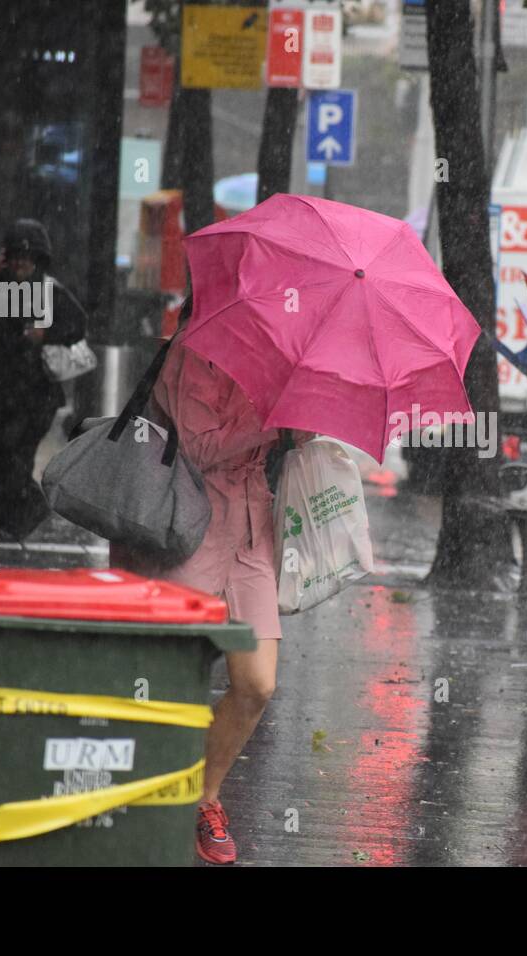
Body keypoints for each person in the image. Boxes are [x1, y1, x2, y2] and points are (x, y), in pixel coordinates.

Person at [111, 309, 311, 865]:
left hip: (252, 533)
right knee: (172, 680)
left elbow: (281, 442)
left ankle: (203, 794)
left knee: (256, 683)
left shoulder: (279, 357)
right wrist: (272, 412)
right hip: (188, 525)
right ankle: (147, 797)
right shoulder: (193, 349)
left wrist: (301, 416)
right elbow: (198, 448)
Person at [0, 219, 86, 540]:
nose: (21, 264)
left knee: (15, 453)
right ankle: (30, 505)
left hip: (35, 394)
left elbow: (77, 325)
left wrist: (46, 334)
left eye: (27, 257)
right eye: (15, 257)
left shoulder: (51, 293)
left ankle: (11, 526)